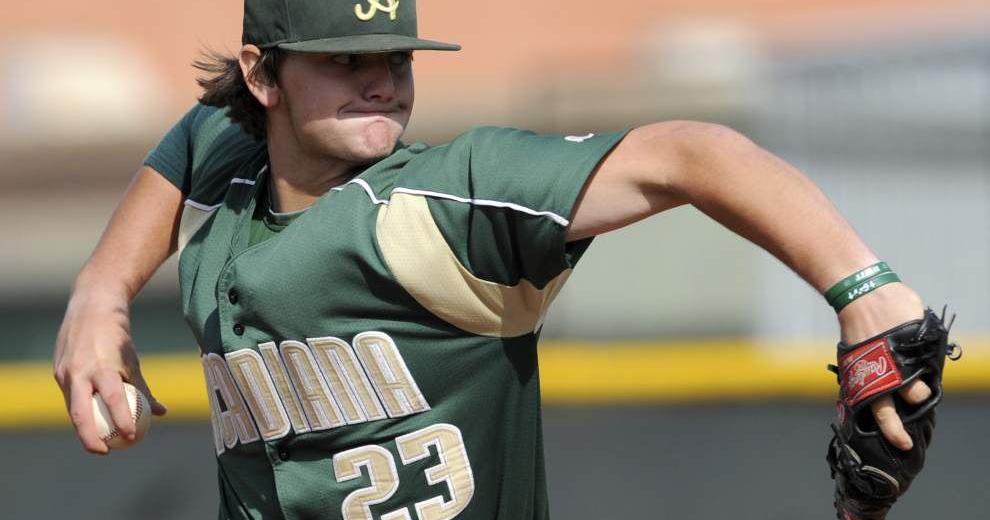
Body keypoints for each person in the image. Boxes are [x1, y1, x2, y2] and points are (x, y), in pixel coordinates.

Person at [54, 0, 939, 518]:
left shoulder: (450, 195)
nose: (381, 80)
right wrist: (101, 295)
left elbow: (692, 153)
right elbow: (190, 143)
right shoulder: (232, 174)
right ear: (263, 75)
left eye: (395, 56)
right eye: (343, 58)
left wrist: (863, 289)